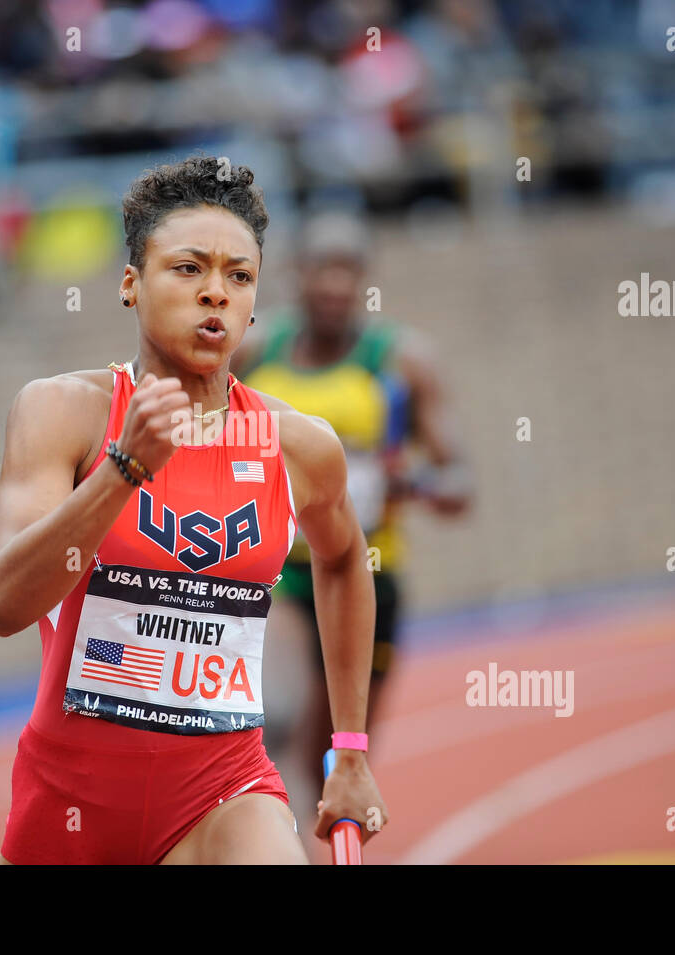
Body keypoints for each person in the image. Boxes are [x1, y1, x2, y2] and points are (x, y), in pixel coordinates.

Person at [0, 156, 388, 865]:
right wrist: (123, 468)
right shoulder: (63, 413)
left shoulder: (298, 445)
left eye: (238, 276)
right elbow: (6, 601)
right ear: (131, 283)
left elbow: (346, 557)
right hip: (72, 806)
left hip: (223, 791)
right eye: (188, 269)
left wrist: (348, 748)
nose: (215, 294)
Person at [232, 210, 473, 810]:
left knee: (336, 751)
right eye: (322, 269)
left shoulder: (402, 363)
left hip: (368, 575)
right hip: (282, 574)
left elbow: (459, 484)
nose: (335, 284)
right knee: (280, 723)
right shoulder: (258, 353)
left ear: (365, 278)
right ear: (296, 275)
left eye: (348, 270)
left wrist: (408, 481)